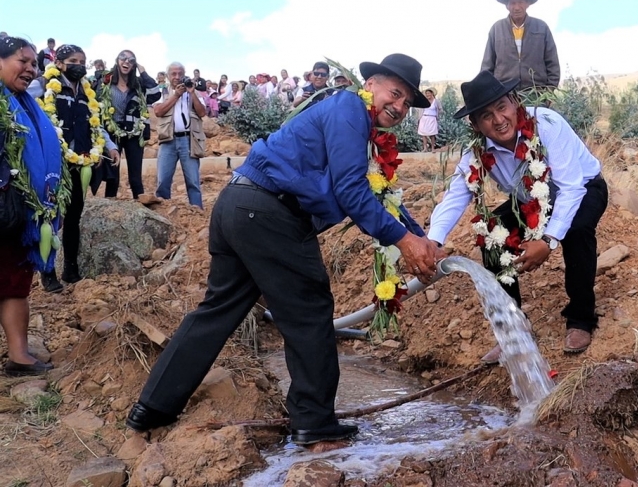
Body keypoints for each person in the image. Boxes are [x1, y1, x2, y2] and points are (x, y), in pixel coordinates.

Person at [126, 54, 440, 445]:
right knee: (309, 311)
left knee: (218, 310)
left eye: (407, 103)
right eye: (395, 93)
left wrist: (422, 238)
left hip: (238, 205)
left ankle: (152, 407)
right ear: (371, 84)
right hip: (269, 213)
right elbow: (351, 191)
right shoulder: (349, 109)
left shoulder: (357, 126)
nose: (399, 106)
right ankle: (314, 422)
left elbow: (381, 195)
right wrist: (405, 241)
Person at [427, 71, 607, 362]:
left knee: (576, 230)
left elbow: (572, 188)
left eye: (502, 107)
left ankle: (581, 319)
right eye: (486, 116)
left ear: (514, 102)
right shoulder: (477, 152)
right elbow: (456, 196)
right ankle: (515, 328)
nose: (499, 120)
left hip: (584, 188)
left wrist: (547, 241)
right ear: (475, 124)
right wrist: (433, 241)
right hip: (530, 199)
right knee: (492, 233)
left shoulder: (547, 124)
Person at [0, 36, 68, 376]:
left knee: (14, 283)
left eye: (34, 64)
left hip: (20, 214)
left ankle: (20, 356)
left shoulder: (28, 105)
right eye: (22, 61)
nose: (30, 68)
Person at [30, 44, 121, 292]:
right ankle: (47, 272)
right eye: (73, 61)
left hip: (80, 163)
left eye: (82, 61)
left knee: (73, 216)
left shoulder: (87, 91)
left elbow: (96, 124)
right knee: (50, 217)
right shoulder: (44, 84)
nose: (78, 66)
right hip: (52, 164)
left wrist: (109, 147)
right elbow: (20, 98)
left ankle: (71, 269)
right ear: (59, 63)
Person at [93, 49, 161, 199]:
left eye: (131, 60)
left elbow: (156, 93)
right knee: (113, 176)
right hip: (112, 132)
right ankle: (109, 207)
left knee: (135, 177)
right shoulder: (106, 82)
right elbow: (95, 103)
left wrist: (143, 72)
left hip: (134, 133)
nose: (126, 62)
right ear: (117, 61)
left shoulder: (139, 84)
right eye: (123, 58)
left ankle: (140, 205)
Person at [481, 0, 559, 93]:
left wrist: (549, 92)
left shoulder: (541, 27)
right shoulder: (496, 29)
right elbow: (487, 66)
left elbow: (552, 62)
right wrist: (491, 94)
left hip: (536, 93)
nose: (517, 7)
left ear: (527, 4)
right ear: (507, 6)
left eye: (520, 2)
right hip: (504, 94)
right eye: (512, 3)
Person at [153, 61, 207, 208]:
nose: (177, 77)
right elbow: (158, 111)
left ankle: (197, 211)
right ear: (168, 76)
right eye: (173, 74)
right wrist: (176, 95)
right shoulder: (162, 91)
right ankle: (162, 211)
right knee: (163, 180)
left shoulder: (193, 91)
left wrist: (192, 93)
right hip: (168, 140)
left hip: (189, 140)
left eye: (180, 74)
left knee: (193, 181)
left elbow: (202, 113)